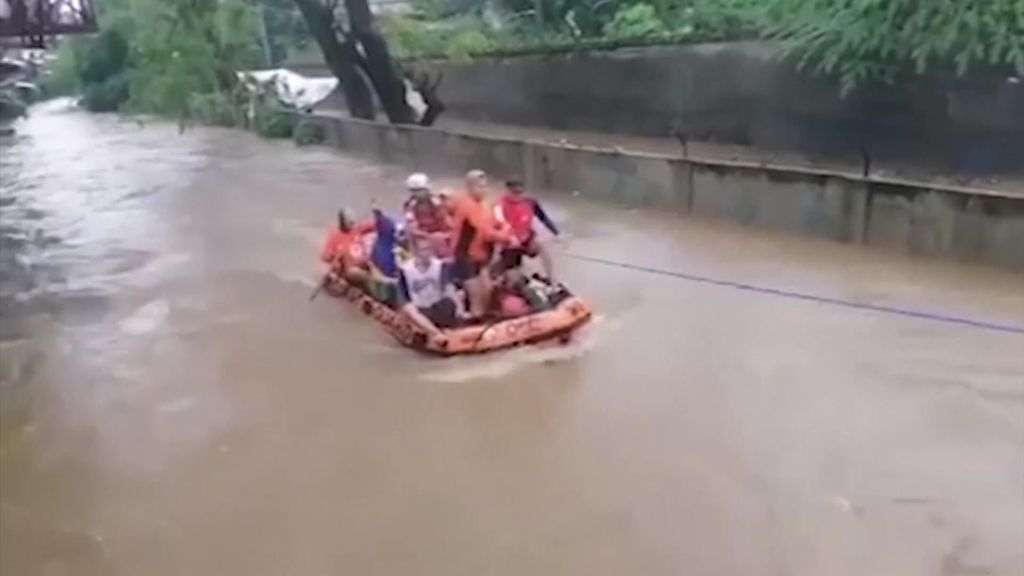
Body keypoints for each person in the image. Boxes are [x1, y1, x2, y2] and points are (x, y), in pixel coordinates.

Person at [450, 169, 518, 318]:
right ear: (469, 187)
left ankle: (484, 319)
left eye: (485, 186)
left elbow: (495, 222)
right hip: (465, 257)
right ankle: (474, 321)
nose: (484, 190)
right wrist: (508, 238)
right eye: (479, 187)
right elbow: (486, 233)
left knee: (487, 290)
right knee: (477, 298)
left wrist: (505, 228)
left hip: (480, 257)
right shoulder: (467, 206)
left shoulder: (483, 204)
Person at [494, 178, 560, 280]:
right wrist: (510, 237)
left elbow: (543, 218)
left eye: (520, 192)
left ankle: (552, 281)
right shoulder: (500, 205)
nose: (517, 196)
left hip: (527, 240)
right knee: (512, 278)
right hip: (510, 244)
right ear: (507, 190)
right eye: (514, 193)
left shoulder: (530, 202)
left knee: (541, 245)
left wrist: (556, 233)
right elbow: (500, 223)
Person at [398, 239, 466, 335]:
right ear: (416, 252)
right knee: (408, 309)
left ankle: (451, 329)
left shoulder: (440, 266)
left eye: (429, 250)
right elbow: (404, 297)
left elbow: (448, 287)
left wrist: (459, 307)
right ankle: (436, 333)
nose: (427, 253)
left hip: (437, 306)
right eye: (424, 250)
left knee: (458, 295)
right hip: (420, 308)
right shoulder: (405, 270)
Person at [402, 173, 451, 257]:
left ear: (426, 189)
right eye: (414, 191)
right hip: (420, 238)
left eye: (419, 190)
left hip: (438, 236)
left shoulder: (437, 203)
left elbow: (445, 223)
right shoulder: (410, 205)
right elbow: (411, 225)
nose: (416, 193)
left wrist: (439, 236)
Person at [321, 209, 375, 284]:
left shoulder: (357, 229)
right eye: (350, 223)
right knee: (354, 272)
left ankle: (376, 280)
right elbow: (326, 256)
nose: (353, 225)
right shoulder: (335, 236)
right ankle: (371, 281)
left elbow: (373, 225)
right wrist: (333, 256)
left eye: (353, 223)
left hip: (364, 264)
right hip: (349, 269)